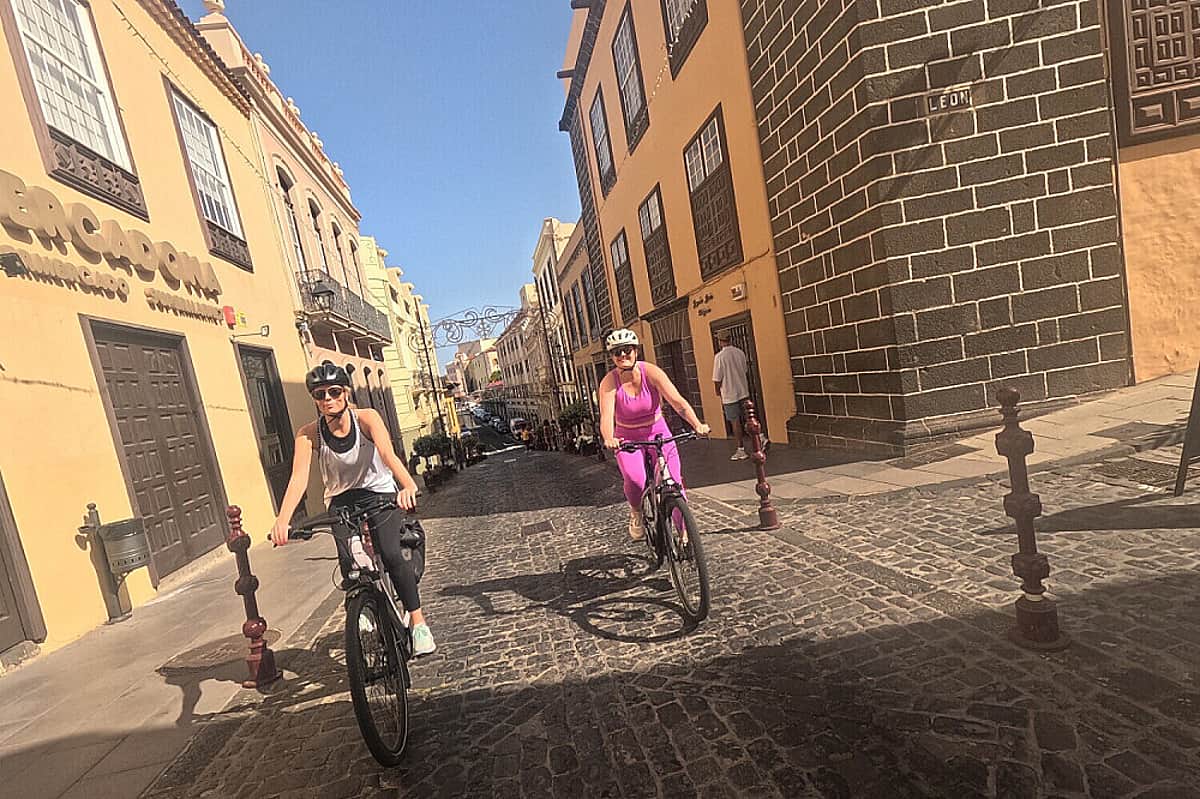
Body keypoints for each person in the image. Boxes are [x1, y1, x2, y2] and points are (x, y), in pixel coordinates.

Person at [269, 361, 436, 656]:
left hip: (378, 493)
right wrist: (283, 521)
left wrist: (408, 486)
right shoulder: (308, 434)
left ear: (345, 392)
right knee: (349, 565)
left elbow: (387, 454)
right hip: (341, 500)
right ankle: (366, 609)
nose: (327, 399)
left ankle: (419, 623)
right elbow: (298, 478)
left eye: (334, 391)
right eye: (320, 394)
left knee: (390, 552)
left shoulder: (366, 419)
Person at [599, 329, 710, 540]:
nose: (623, 355)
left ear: (636, 351)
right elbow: (606, 416)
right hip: (627, 439)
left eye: (627, 350)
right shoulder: (609, 382)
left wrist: (697, 424)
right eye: (617, 352)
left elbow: (677, 402)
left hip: (658, 433)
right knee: (636, 480)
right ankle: (636, 512)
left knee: (673, 481)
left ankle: (685, 533)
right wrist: (609, 438)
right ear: (612, 357)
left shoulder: (651, 372)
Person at [712, 330, 762, 460]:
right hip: (743, 390)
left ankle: (741, 449)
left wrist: (717, 391)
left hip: (729, 393)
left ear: (720, 341)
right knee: (749, 418)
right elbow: (745, 370)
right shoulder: (740, 352)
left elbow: (717, 378)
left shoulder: (720, 357)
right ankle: (760, 438)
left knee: (735, 421)